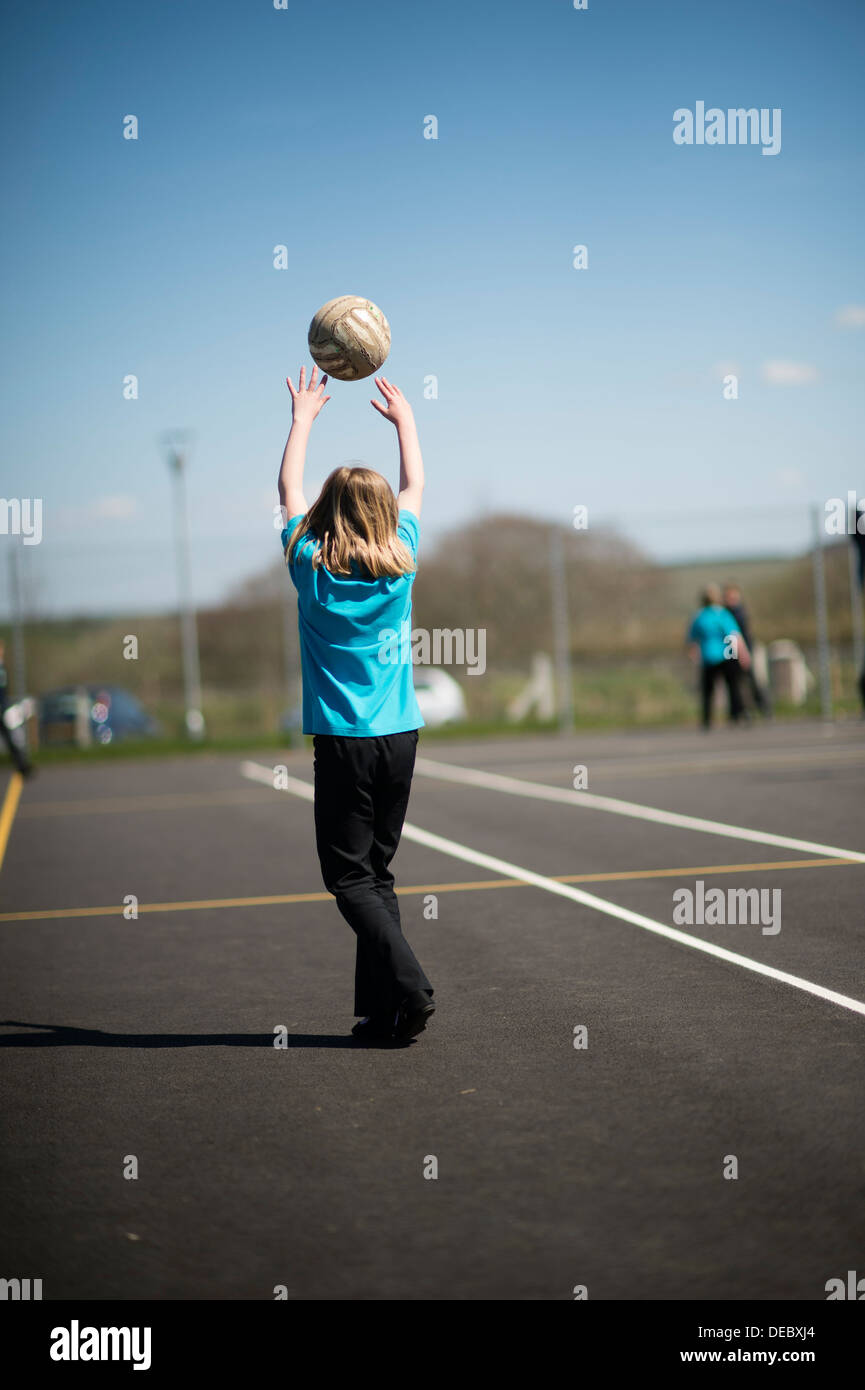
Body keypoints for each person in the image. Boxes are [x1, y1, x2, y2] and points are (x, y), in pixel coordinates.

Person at [278, 365, 434, 1045]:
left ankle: (410, 987)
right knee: (376, 875)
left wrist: (302, 419)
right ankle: (380, 1015)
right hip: (399, 737)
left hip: (342, 741)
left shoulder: (309, 566)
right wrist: (406, 422)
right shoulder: (402, 558)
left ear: (324, 513)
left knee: (348, 879)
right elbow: (415, 487)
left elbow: (286, 489)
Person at [686, 585, 750, 730]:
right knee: (732, 687)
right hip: (727, 653)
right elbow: (735, 635)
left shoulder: (699, 616)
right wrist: (743, 654)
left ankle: (707, 720)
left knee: (708, 691)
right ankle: (736, 715)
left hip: (708, 655)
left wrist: (694, 654)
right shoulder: (723, 614)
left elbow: (692, 640)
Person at [722, 583, 771, 718]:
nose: (730, 599)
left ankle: (763, 707)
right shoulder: (725, 613)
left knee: (752, 680)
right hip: (731, 651)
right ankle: (738, 711)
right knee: (734, 684)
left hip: (745, 649)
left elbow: (740, 635)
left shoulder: (740, 612)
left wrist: (744, 653)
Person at [0, 640, 33, 776]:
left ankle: (22, 765)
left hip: (2, 708)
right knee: (9, 737)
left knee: (10, 737)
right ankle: (22, 765)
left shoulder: (2, 666)